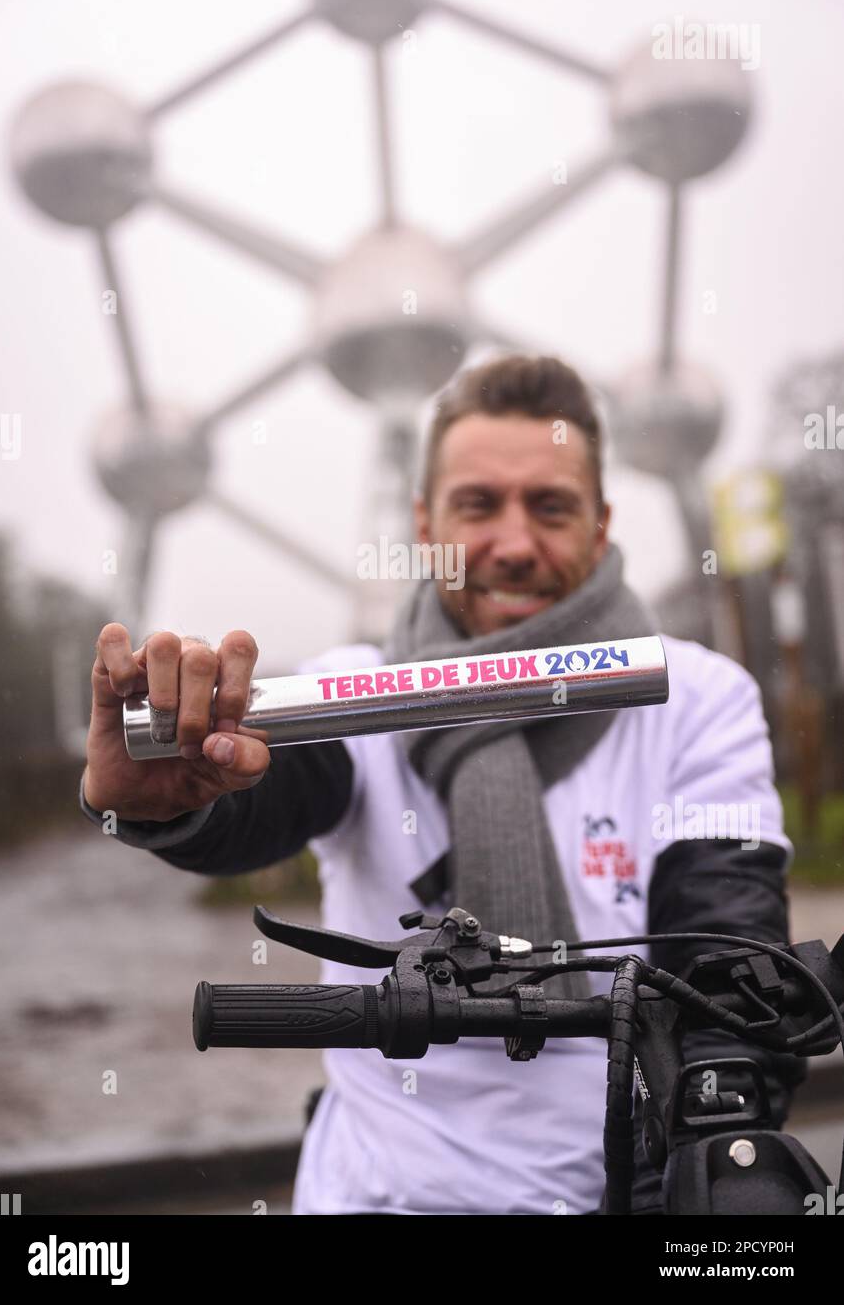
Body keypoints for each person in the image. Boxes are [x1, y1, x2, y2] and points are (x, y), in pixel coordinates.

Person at [78, 353, 806, 1215]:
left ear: (602, 524)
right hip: (375, 1198)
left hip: (613, 1193)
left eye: (551, 506)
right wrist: (158, 800)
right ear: (423, 522)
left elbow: (731, 955)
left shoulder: (699, 695)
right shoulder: (343, 691)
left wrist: (706, 1152)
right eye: (477, 504)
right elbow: (260, 802)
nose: (512, 540)